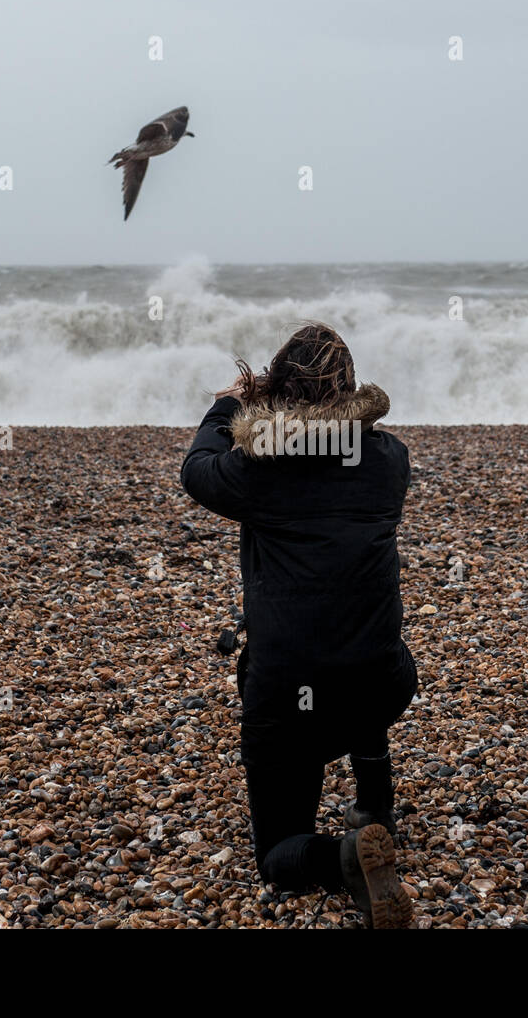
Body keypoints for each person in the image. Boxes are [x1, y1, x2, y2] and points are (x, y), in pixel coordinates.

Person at [180, 323, 418, 927]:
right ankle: (375, 808)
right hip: (378, 685)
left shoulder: (260, 472)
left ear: (280, 392)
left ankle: (341, 854)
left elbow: (197, 468)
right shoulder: (389, 460)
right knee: (359, 653)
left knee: (276, 852)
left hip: (292, 697)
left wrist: (229, 403)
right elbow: (338, 444)